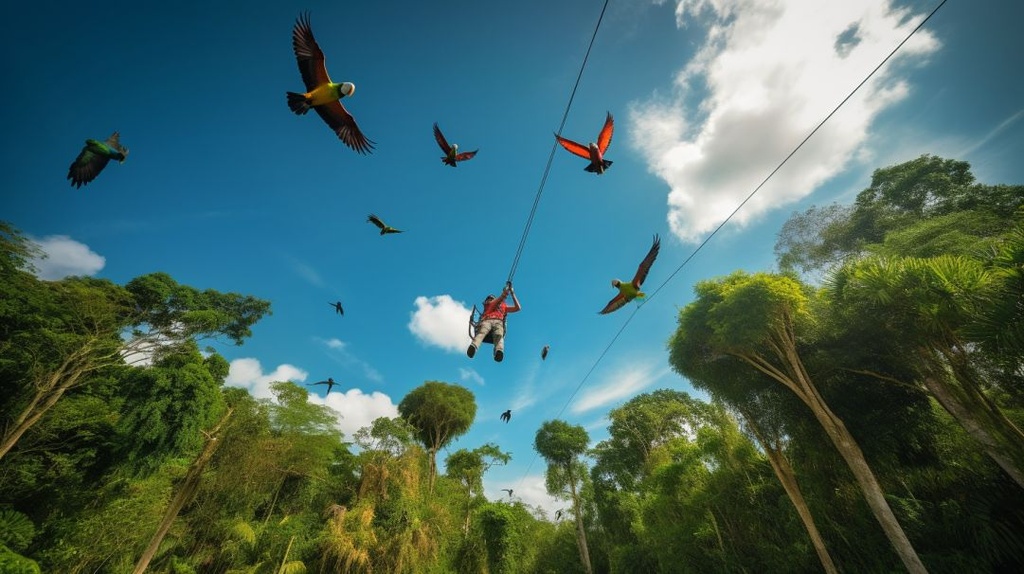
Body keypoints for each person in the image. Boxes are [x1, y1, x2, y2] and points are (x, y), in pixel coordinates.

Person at [468, 282, 521, 362]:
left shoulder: (503, 306)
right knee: (482, 332)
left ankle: (499, 351)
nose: (490, 299)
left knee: (499, 335)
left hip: (498, 322)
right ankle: (473, 346)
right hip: (487, 320)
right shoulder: (488, 304)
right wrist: (505, 292)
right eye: (489, 298)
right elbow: (498, 300)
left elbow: (518, 308)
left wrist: (512, 294)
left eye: (491, 298)